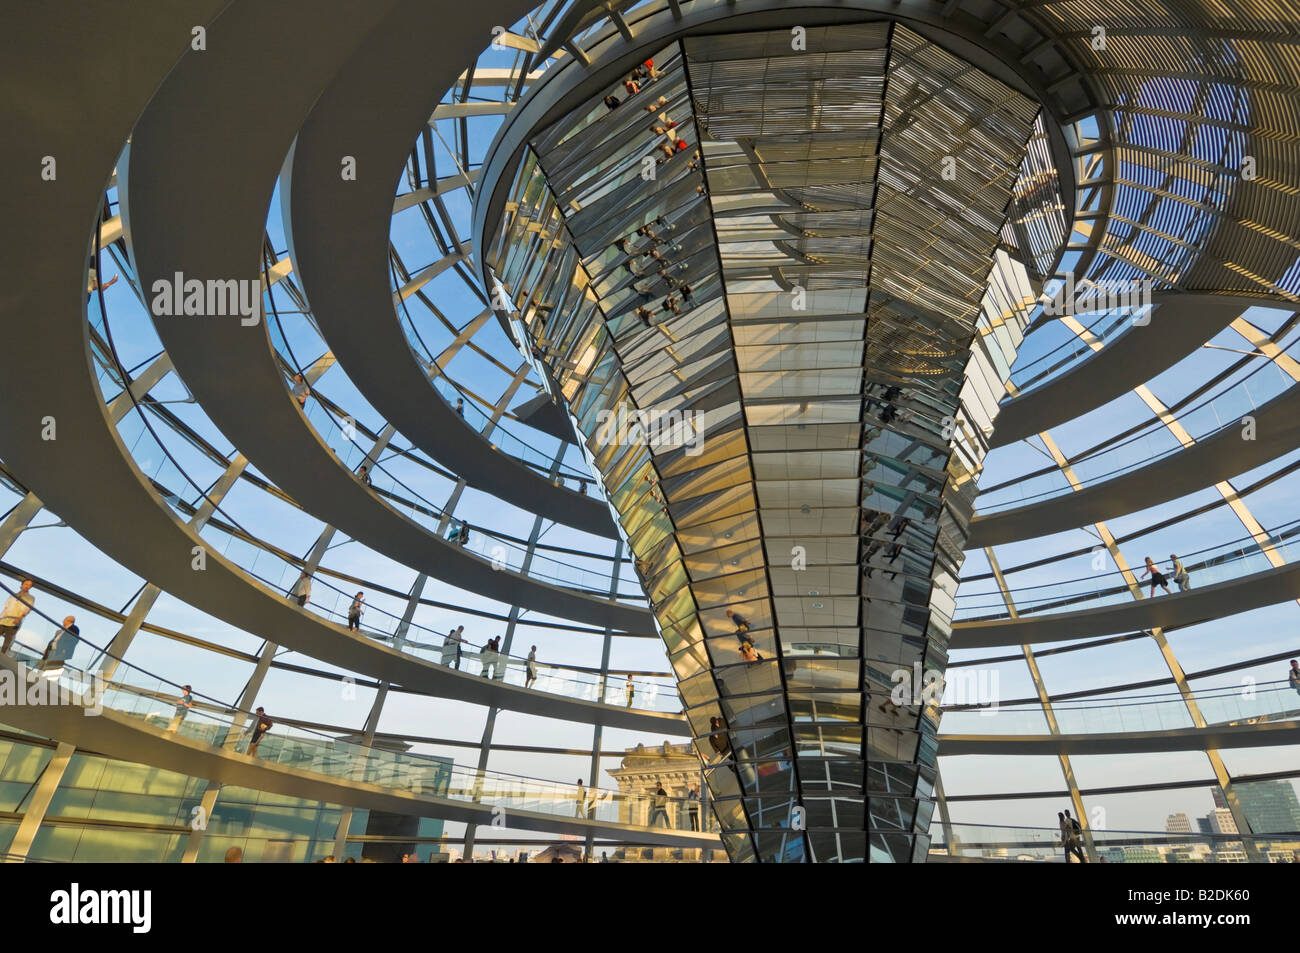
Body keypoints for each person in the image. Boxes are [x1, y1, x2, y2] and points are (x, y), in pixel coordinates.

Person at [0, 579, 36, 655]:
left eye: (30, 585)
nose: (27, 586)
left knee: (6, 644)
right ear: (22, 585)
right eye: (26, 584)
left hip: (14, 622)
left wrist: (19, 618)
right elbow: (6, 608)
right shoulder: (13, 595)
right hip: (3, 620)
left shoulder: (31, 598)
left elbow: (28, 610)